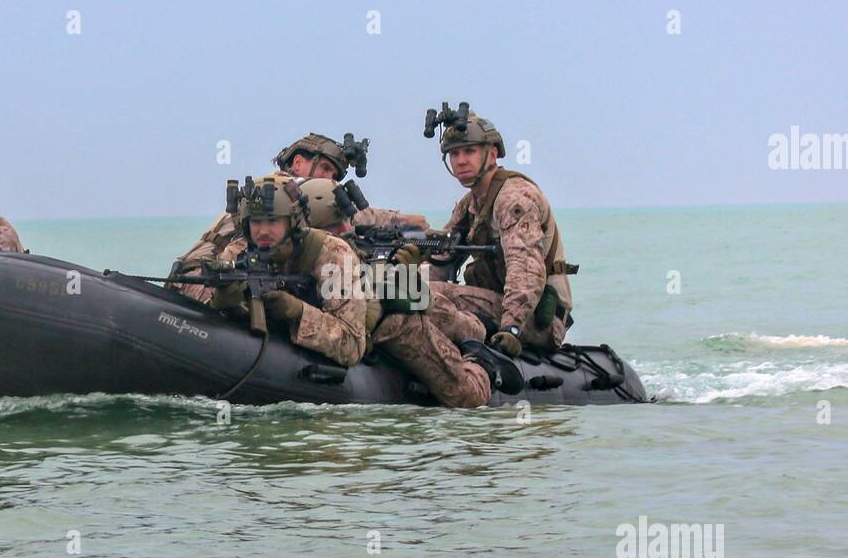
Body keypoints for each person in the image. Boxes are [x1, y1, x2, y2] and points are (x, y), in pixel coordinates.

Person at [297, 178, 521, 407]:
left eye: (346, 221)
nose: (346, 230)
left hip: (397, 321)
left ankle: (482, 363)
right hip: (391, 317)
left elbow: (414, 300)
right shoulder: (306, 252)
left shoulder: (348, 254)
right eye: (334, 227)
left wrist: (407, 273)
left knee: (467, 390)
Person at [171, 133, 426, 302]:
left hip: (209, 274)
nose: (330, 181)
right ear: (298, 162)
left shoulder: (272, 190)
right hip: (200, 281)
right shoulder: (284, 192)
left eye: (335, 176)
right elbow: (351, 214)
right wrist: (404, 221)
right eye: (326, 169)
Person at [415, 107, 577, 358]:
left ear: (491, 154)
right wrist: (404, 274)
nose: (460, 160)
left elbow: (525, 272)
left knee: (429, 295)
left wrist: (511, 329)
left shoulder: (514, 199)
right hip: (499, 303)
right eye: (454, 154)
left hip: (537, 320)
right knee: (411, 288)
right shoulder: (471, 204)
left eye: (469, 151)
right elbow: (442, 258)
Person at [208, 175, 367, 367]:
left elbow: (352, 347)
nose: (263, 231)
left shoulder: (333, 254)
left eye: (273, 221)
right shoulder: (235, 254)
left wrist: (297, 311)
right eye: (256, 222)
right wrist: (224, 301)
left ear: (292, 222)